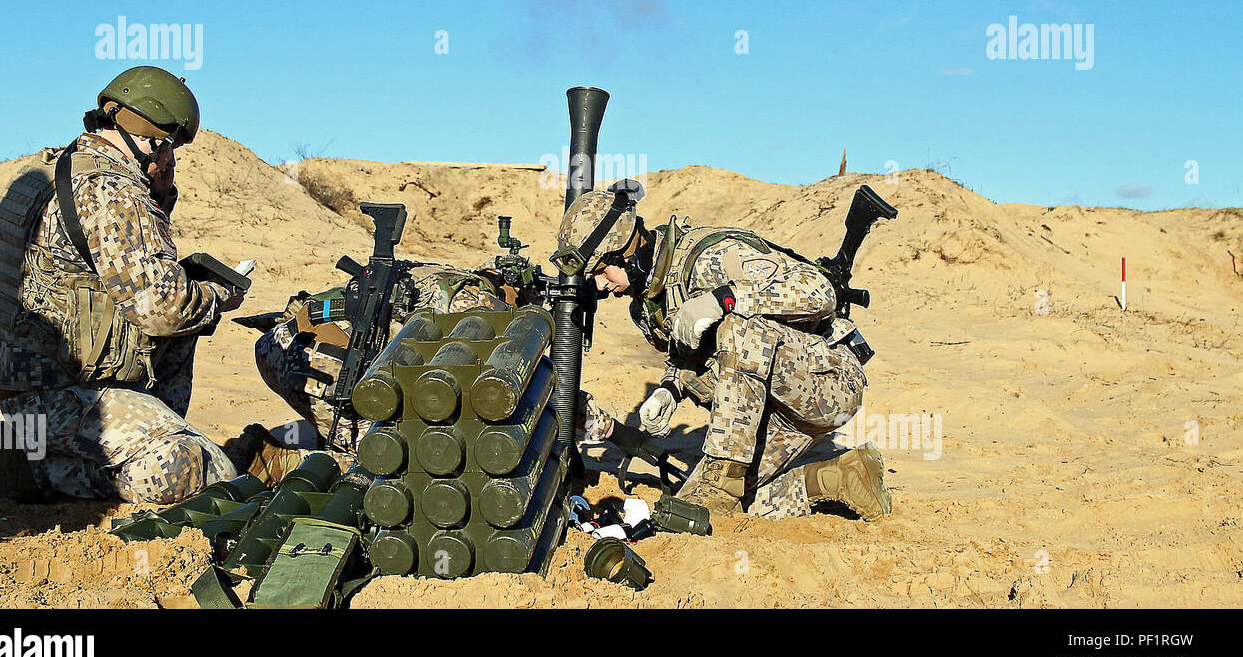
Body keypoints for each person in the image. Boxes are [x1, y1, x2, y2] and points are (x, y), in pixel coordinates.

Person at [0, 66, 270, 503]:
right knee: (199, 469)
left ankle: (72, 447)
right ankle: (44, 471)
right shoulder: (110, 188)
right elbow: (161, 308)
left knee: (182, 327)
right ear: (154, 138)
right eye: (169, 145)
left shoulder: (56, 168)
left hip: (27, 387)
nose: (170, 157)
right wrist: (218, 296)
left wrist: (160, 197)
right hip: (61, 395)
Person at [551, 183, 892, 519]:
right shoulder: (644, 309)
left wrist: (723, 299)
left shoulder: (708, 259)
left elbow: (819, 292)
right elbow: (691, 356)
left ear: (626, 250)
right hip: (767, 411)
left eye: (600, 269)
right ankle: (840, 478)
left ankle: (725, 469)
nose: (599, 284)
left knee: (738, 327)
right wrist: (672, 388)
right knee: (697, 512)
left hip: (824, 382)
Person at [252, 265, 512, 455]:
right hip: (321, 366)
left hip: (278, 343)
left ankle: (328, 435)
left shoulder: (442, 276)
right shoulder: (478, 304)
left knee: (348, 413)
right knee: (383, 452)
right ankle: (275, 461)